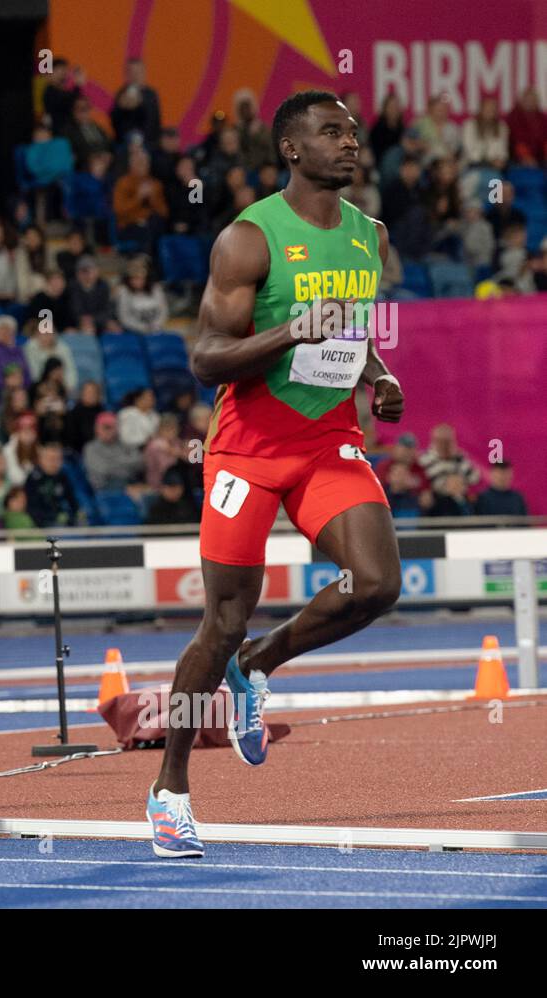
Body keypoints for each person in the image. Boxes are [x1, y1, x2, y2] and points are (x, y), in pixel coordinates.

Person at [149, 91, 406, 858]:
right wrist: (293, 328)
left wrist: (377, 373)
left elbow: (348, 332)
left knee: (378, 584)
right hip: (248, 452)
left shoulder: (372, 236)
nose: (351, 142)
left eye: (353, 131)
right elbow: (203, 359)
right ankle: (170, 788)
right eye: (332, 132)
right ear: (292, 150)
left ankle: (262, 662)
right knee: (221, 621)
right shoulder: (249, 239)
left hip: (329, 441)